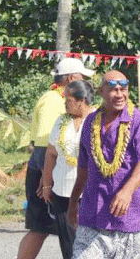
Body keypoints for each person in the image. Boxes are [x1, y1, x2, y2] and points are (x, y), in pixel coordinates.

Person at [66, 70, 140, 259]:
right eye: (113, 89)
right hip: (93, 216)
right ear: (101, 91)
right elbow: (83, 167)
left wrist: (127, 191)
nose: (119, 94)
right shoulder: (90, 122)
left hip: (130, 219)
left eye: (123, 89)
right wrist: (73, 202)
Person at [18, 57, 93, 259]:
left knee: (54, 231)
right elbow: (45, 147)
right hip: (46, 174)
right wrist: (46, 182)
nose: (85, 81)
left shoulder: (71, 104)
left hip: (57, 177)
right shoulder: (53, 101)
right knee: (40, 228)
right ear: (71, 78)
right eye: (82, 77)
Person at [41, 80, 95, 259]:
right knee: (68, 244)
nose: (65, 104)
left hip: (89, 194)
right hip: (62, 192)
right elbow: (51, 154)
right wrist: (47, 185)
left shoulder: (98, 121)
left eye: (68, 100)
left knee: (91, 245)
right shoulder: (61, 121)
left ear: (81, 101)